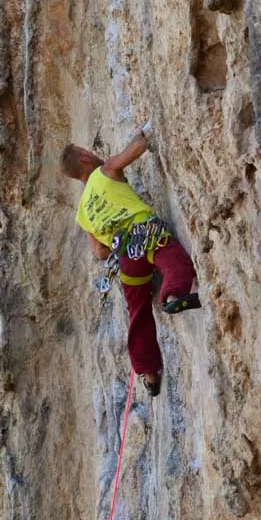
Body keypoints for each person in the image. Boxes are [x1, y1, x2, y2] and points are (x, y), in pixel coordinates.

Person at [62, 126, 200, 396]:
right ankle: (173, 295)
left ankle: (148, 372)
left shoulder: (82, 212)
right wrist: (144, 132)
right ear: (85, 160)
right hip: (145, 233)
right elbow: (138, 148)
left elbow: (100, 253)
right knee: (172, 261)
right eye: (89, 152)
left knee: (137, 311)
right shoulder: (105, 171)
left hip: (125, 255)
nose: (94, 153)